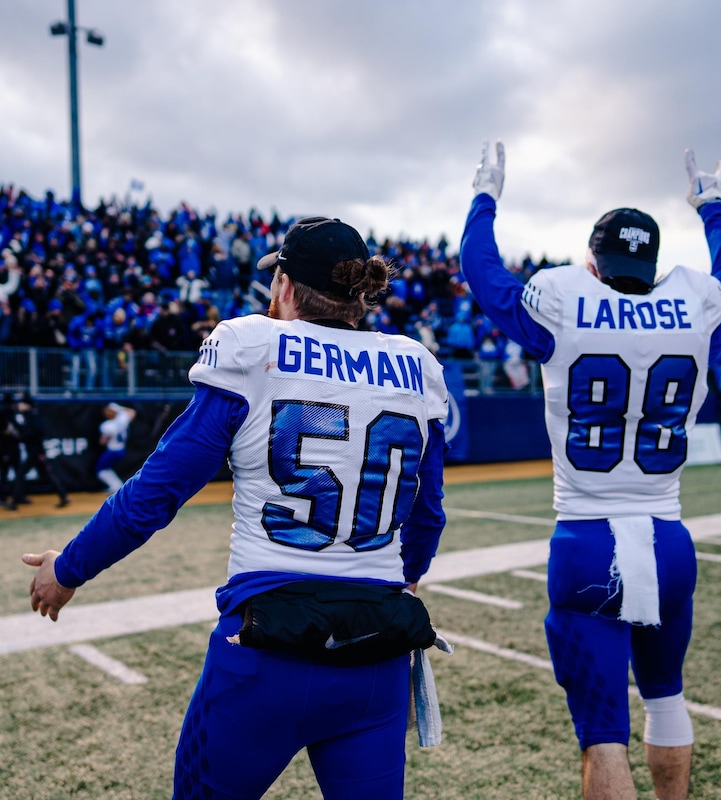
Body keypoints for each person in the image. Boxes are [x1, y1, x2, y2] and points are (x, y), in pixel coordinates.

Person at [23, 216, 449, 800]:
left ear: (286, 287)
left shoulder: (251, 345)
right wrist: (398, 580)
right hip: (375, 655)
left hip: (265, 652)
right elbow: (427, 514)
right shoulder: (416, 364)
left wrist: (67, 568)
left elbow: (157, 491)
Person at [460, 142, 721, 800]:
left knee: (602, 734)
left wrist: (484, 199)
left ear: (592, 260)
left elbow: (482, 273)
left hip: (589, 540)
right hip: (668, 537)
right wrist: (711, 203)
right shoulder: (694, 310)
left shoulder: (563, 303)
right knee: (668, 702)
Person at [8, 392, 70, 508]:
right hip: (34, 452)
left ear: (27, 405)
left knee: (23, 474)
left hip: (36, 452)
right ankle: (63, 496)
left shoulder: (33, 415)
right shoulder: (28, 415)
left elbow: (37, 430)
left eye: (21, 404)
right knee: (47, 474)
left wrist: (21, 435)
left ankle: (15, 501)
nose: (18, 406)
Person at [96, 402, 137, 494]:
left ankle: (116, 486)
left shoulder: (108, 425)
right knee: (105, 468)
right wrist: (120, 408)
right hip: (121, 450)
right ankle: (117, 486)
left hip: (113, 450)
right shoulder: (123, 419)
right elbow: (132, 412)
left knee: (100, 469)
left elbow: (102, 442)